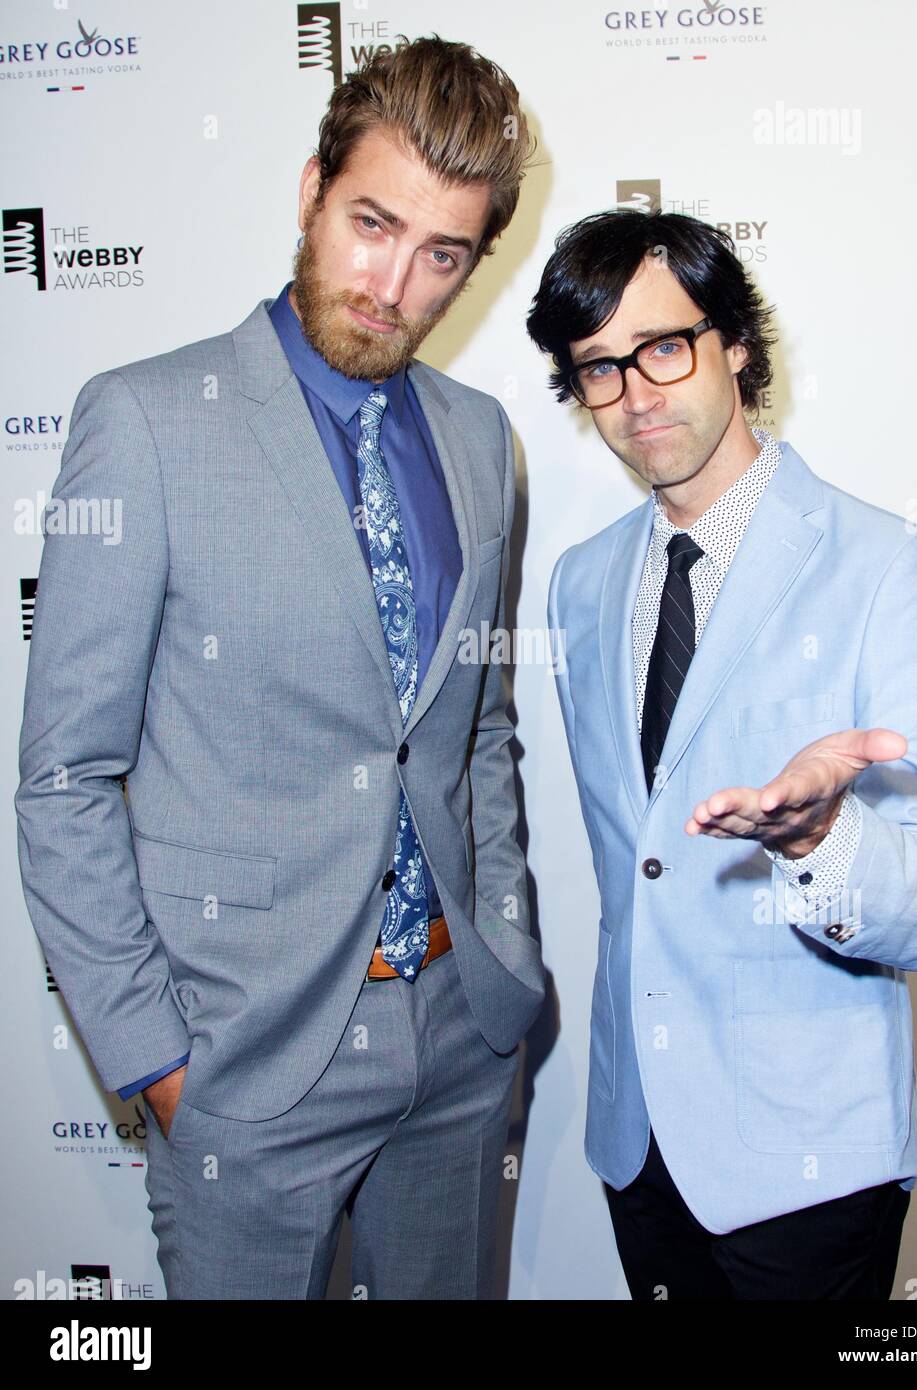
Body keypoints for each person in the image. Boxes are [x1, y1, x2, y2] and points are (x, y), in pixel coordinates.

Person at [15, 36, 544, 1300]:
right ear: (311, 190)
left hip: (459, 1038)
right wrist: (158, 1059)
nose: (395, 284)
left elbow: (475, 732)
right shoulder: (144, 421)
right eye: (373, 223)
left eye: (443, 255)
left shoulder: (481, 442)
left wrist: (504, 960)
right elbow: (65, 778)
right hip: (246, 1063)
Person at [528, 209, 917, 1299]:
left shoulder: (889, 567)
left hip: (808, 1161)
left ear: (734, 341)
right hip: (637, 1142)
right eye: (599, 368)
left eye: (665, 347)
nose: (637, 394)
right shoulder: (581, 584)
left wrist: (823, 835)